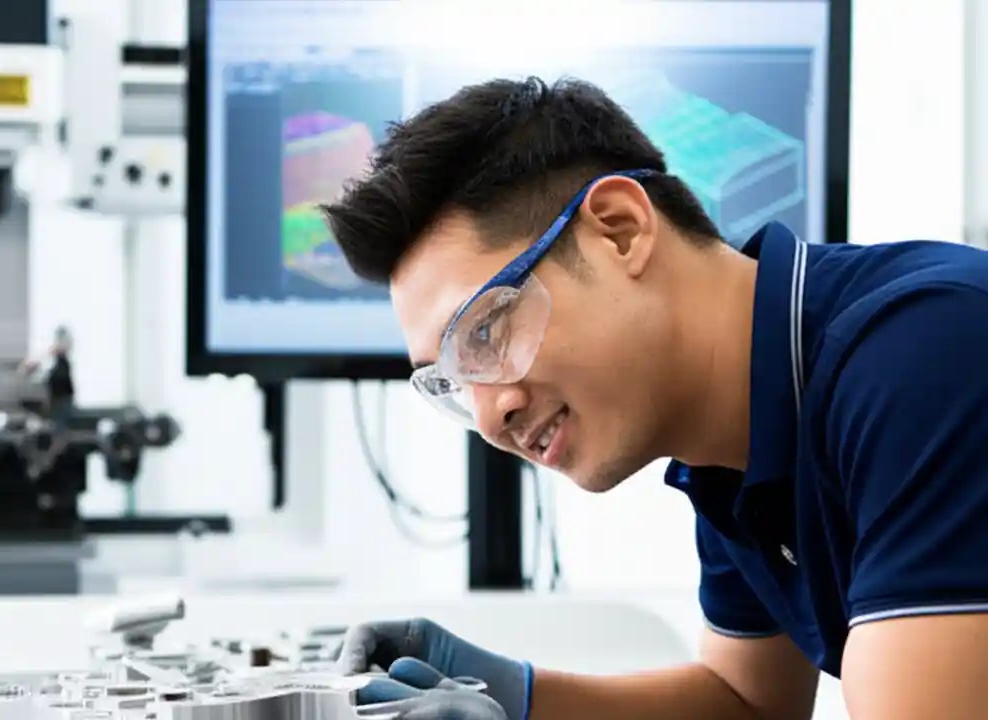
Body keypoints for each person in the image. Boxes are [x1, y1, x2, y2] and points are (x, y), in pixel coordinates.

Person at [319, 76, 988, 719]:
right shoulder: (739, 436)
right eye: (452, 383)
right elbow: (746, 702)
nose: (493, 415)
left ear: (620, 229)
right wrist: (514, 698)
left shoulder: (927, 354)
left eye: (485, 332)